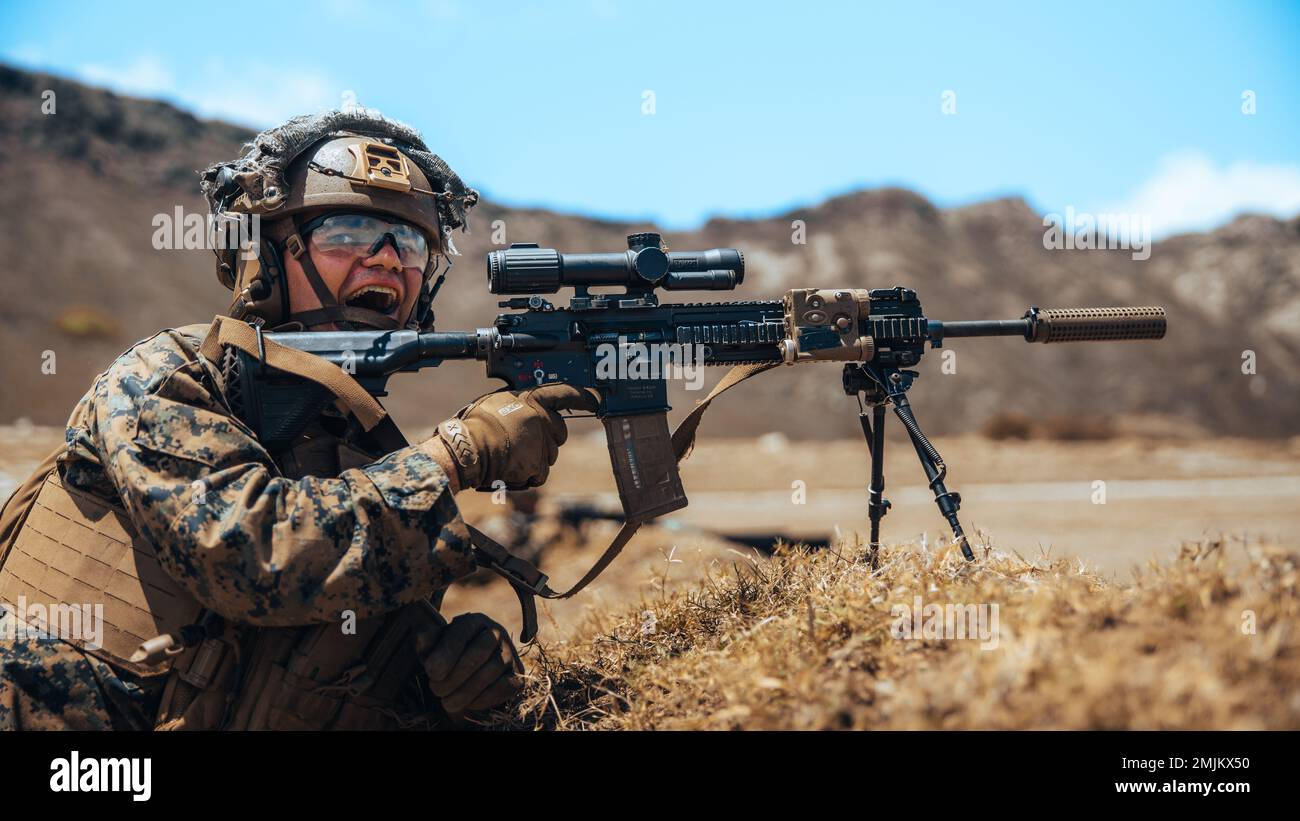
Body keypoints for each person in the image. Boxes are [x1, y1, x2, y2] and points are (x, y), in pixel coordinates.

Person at [0, 109, 595, 730]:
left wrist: (454, 692)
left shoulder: (360, 458)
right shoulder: (169, 379)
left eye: (409, 244)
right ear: (267, 258)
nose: (388, 261)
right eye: (348, 234)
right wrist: (459, 455)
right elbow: (254, 554)